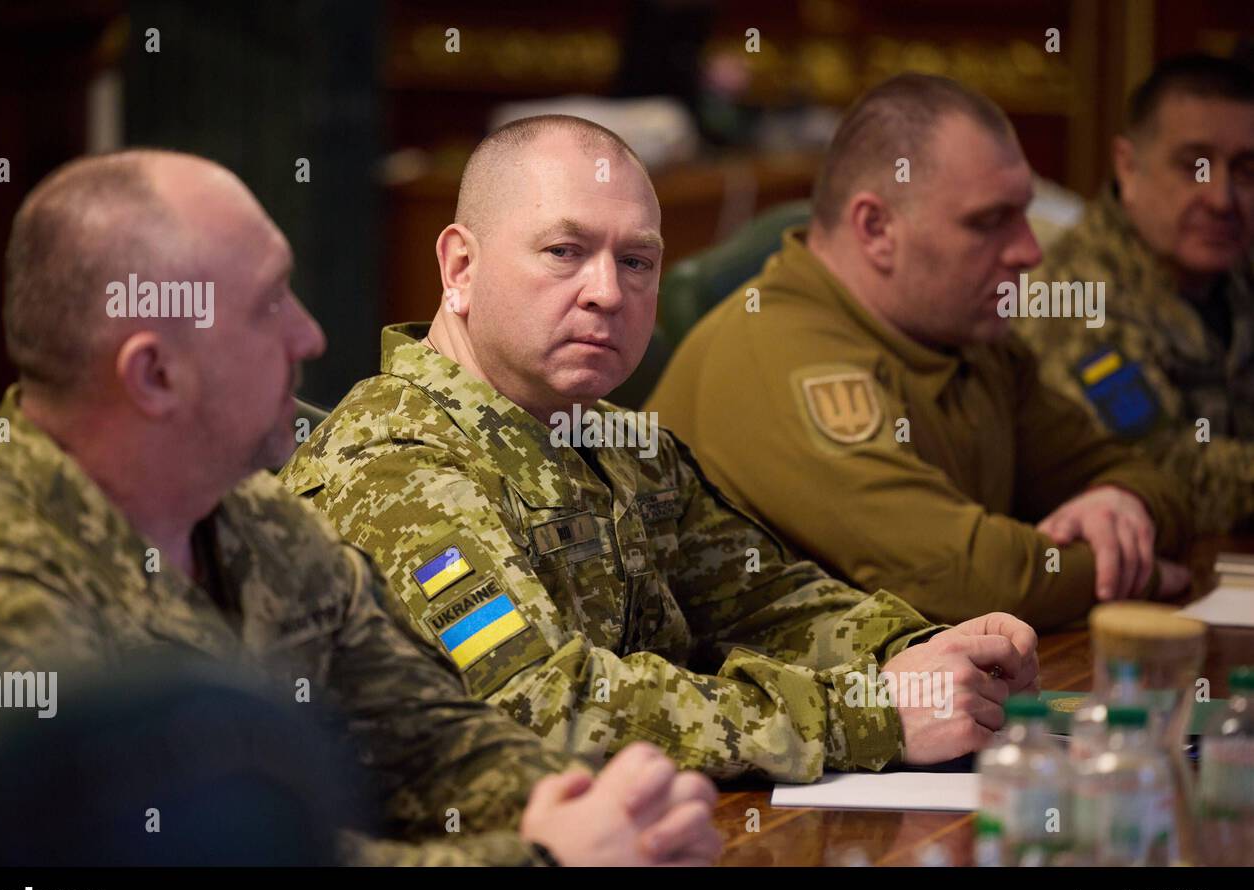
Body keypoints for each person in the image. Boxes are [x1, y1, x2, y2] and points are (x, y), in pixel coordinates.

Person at [0, 149, 721, 867]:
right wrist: (542, 856)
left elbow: (429, 742)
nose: (310, 336)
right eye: (268, 306)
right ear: (155, 375)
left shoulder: (256, 517)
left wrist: (609, 815)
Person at [281, 114, 1042, 782]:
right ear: (460, 268)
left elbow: (768, 605)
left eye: (636, 261)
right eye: (563, 251)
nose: (607, 292)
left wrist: (930, 653)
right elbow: (544, 709)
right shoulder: (394, 463)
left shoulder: (618, 442)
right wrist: (867, 713)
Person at [647, 75, 1192, 631]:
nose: (1028, 252)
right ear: (877, 228)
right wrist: (1132, 569)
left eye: (1023, 214)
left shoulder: (966, 342)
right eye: (988, 222)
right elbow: (970, 580)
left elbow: (1142, 473)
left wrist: (1122, 503)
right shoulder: (783, 358)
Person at [1016, 53, 1254, 534]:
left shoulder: (1238, 272)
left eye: (1247, 171)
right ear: (1128, 165)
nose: (1222, 199)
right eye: (1195, 168)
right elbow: (1153, 471)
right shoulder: (1072, 294)